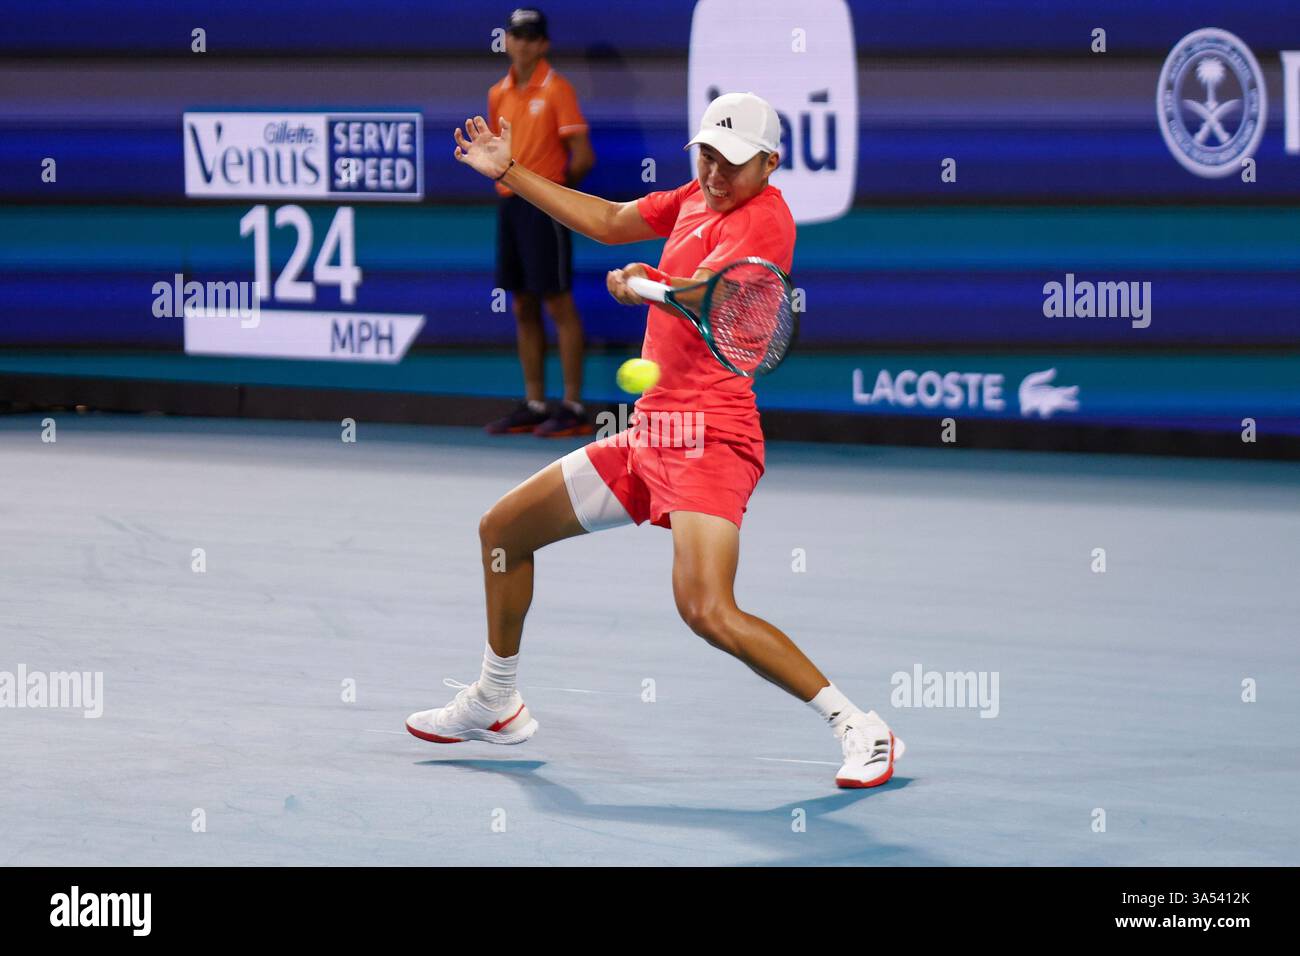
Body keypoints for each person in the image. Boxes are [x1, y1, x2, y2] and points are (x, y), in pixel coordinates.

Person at [407, 92, 905, 788]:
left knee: (706, 609)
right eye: (706, 155)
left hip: (712, 438)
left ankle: (861, 726)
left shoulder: (769, 219)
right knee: (503, 532)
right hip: (652, 433)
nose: (715, 174)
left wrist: (647, 284)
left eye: (733, 162)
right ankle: (496, 701)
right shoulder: (697, 195)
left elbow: (713, 294)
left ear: (770, 163)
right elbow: (612, 221)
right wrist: (510, 170)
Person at [484, 7, 596, 438]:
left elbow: (583, 156)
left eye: (532, 37)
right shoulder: (497, 93)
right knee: (523, 304)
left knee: (557, 303)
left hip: (545, 207)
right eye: (517, 35)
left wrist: (556, 197)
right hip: (511, 206)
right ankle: (534, 403)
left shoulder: (557, 89)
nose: (524, 43)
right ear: (507, 41)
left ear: (543, 44)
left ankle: (573, 406)